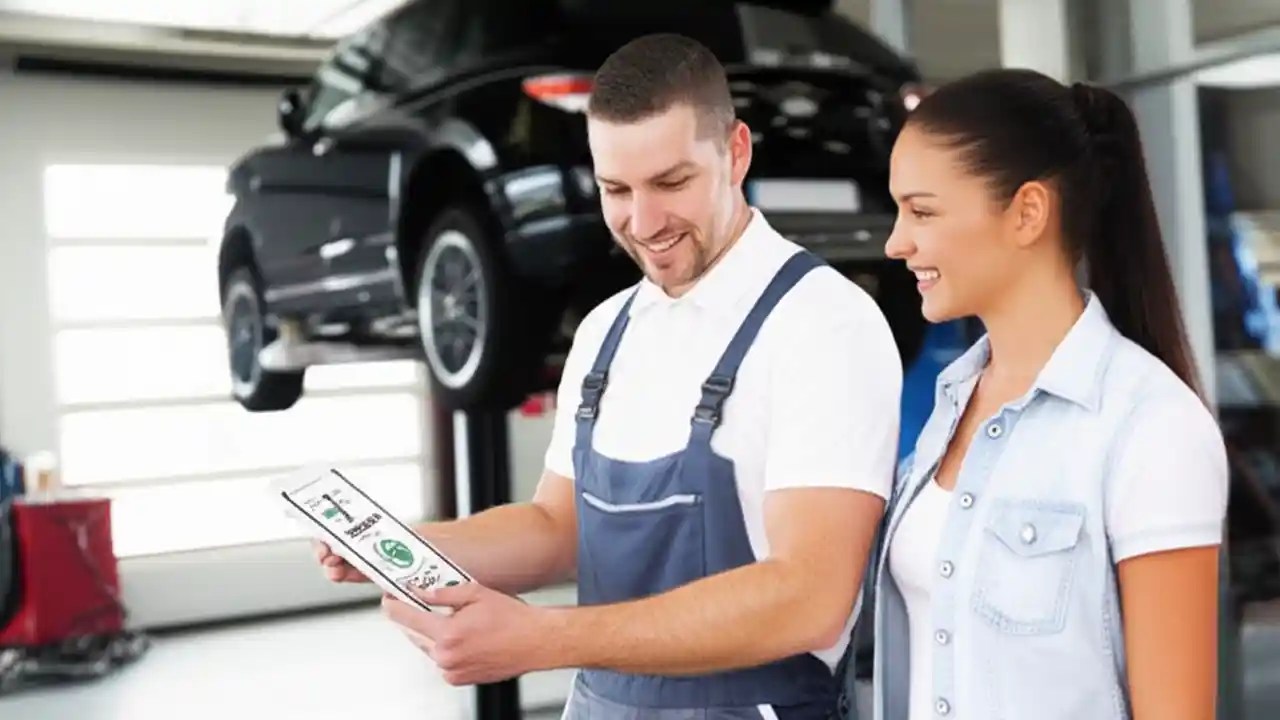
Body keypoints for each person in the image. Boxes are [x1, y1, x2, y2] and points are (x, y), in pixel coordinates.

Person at [315, 33, 904, 719]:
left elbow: (809, 598)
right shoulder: (605, 332)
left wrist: (543, 638)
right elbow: (557, 528)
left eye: (672, 182)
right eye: (615, 189)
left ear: (736, 152)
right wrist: (404, 547)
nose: (644, 222)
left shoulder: (823, 323)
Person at [870, 67, 1229, 720]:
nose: (897, 242)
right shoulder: (947, 408)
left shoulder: (1151, 428)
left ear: (1028, 212)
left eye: (922, 210)